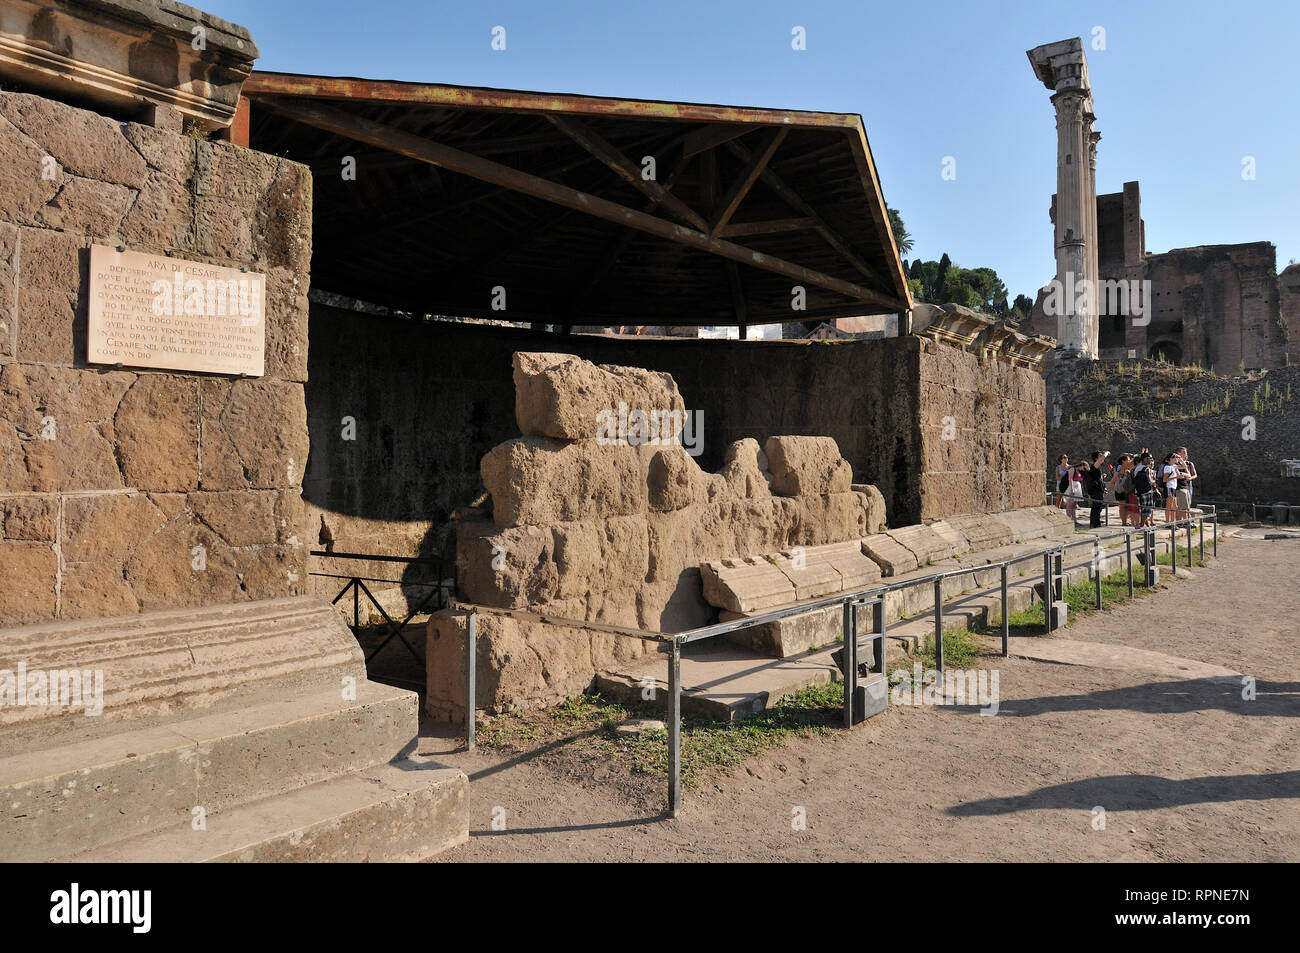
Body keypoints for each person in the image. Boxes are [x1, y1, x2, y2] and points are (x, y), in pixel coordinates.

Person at [1083, 450, 1109, 528]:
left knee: (1097, 507)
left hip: (1098, 489)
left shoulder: (1095, 467)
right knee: (1096, 507)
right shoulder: (1095, 465)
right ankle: (1095, 524)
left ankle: (1094, 523)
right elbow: (1102, 459)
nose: (1101, 456)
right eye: (1099, 455)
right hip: (1095, 490)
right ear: (1096, 458)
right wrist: (1106, 453)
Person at [1132, 453, 1158, 527]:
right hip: (1147, 491)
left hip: (1138, 491)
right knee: (1147, 510)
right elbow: (1150, 481)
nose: (1151, 460)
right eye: (1150, 458)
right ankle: (1141, 525)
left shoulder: (1137, 468)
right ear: (1145, 459)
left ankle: (1147, 525)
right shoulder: (1147, 469)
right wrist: (1154, 483)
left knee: (1142, 509)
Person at [1110, 453, 1136, 526]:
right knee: (1122, 507)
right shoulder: (1119, 468)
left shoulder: (1126, 468)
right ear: (1123, 461)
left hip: (1125, 490)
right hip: (1120, 490)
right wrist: (1117, 488)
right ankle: (1123, 522)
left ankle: (1125, 521)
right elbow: (1112, 482)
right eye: (1127, 460)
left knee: (1127, 507)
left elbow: (1132, 463)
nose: (1129, 461)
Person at [1160, 452, 1180, 523]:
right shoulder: (1167, 467)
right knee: (1169, 505)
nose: (1176, 458)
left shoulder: (1173, 466)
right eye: (1174, 457)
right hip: (1169, 487)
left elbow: (1184, 467)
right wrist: (1175, 477)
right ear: (1169, 459)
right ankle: (1168, 522)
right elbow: (1165, 480)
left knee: (1174, 506)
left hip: (1173, 487)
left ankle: (1173, 521)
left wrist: (1180, 458)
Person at [1177, 446, 1198, 511]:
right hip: (1179, 485)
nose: (1186, 454)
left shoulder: (1190, 464)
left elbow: (1195, 475)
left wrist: (1190, 478)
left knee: (1188, 501)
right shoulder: (1176, 463)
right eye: (1184, 452)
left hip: (1188, 484)